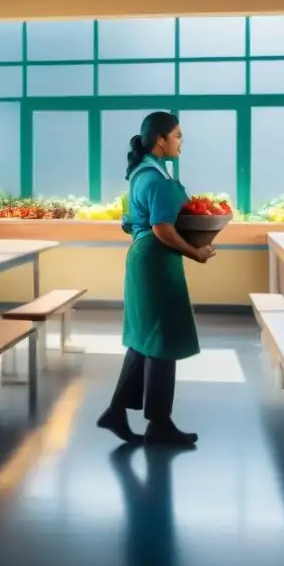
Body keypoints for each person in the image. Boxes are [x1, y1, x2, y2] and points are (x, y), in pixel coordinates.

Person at [97, 112, 215, 446]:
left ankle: (116, 412)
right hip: (156, 263)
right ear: (160, 139)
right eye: (177, 135)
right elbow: (163, 229)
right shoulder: (158, 180)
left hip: (144, 258)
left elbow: (132, 220)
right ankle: (159, 424)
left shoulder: (141, 174)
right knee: (161, 340)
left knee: (145, 338)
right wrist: (197, 253)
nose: (181, 141)